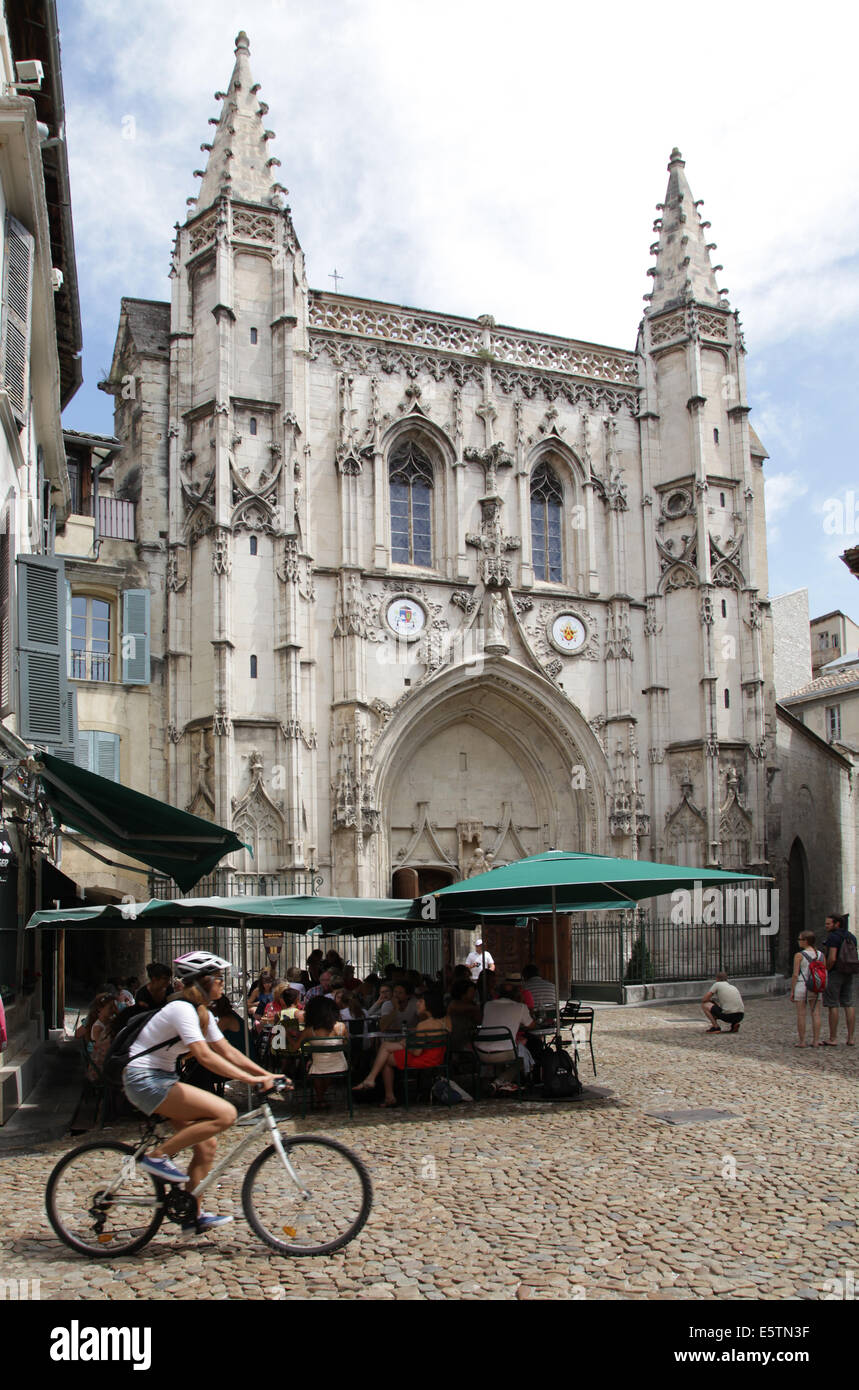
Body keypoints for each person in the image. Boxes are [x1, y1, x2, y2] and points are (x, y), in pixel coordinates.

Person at [122, 952, 283, 1233]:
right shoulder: (181, 1010)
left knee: (207, 1146)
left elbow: (227, 1050)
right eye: (219, 979)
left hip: (162, 1078)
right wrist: (249, 1078)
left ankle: (192, 1215)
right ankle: (157, 1157)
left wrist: (265, 1074)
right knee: (225, 1113)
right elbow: (204, 1057)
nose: (223, 984)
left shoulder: (202, 1013)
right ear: (204, 981)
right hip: (144, 1079)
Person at [354, 991, 450, 1106]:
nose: (417, 1004)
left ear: (429, 1004)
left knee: (385, 1057)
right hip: (438, 1057)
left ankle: (383, 1090)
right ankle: (374, 1082)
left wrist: (406, 1044)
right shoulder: (447, 1020)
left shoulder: (423, 1025)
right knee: (385, 1048)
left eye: (420, 1001)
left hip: (424, 1059)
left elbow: (416, 1052)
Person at [476, 979, 534, 1084]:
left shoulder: (488, 1005)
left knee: (511, 1045)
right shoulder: (520, 1007)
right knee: (522, 1058)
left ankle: (498, 1082)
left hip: (481, 1052)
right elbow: (531, 1025)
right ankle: (499, 1082)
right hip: (504, 1053)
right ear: (518, 993)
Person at [297, 995, 349, 1106]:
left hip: (317, 1068)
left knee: (318, 1067)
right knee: (325, 1066)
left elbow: (296, 1047)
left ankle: (320, 1098)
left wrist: (287, 1035)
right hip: (340, 1066)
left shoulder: (309, 1031)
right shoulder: (341, 1027)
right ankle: (321, 1098)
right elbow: (346, 1044)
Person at [822, 913, 856, 1046]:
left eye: (828, 924)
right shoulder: (851, 936)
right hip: (849, 971)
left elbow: (832, 957)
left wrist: (827, 970)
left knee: (833, 1004)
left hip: (835, 972)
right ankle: (851, 1038)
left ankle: (833, 1038)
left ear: (837, 924)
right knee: (848, 1003)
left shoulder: (833, 937)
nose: (826, 926)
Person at [790, 931, 826, 1047]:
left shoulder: (799, 955)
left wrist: (792, 990)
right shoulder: (821, 955)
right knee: (816, 1014)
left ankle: (802, 1041)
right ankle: (816, 1040)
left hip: (802, 985)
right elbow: (823, 972)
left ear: (805, 941)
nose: (798, 941)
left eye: (799, 939)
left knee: (801, 1014)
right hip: (816, 986)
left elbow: (795, 974)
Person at [446, 977, 481, 1052]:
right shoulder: (453, 1003)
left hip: (468, 1037)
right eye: (471, 992)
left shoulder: (472, 1004)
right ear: (463, 992)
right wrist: (475, 1008)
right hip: (455, 1038)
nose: (474, 994)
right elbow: (456, 1007)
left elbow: (478, 1021)